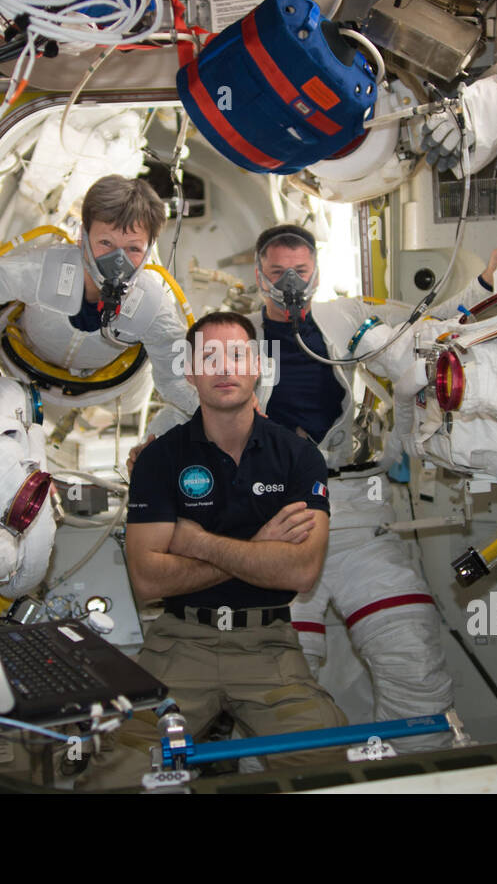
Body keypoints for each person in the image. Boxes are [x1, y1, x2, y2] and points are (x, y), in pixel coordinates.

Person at [243, 225, 497, 751]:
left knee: (412, 651)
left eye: (300, 271)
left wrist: (484, 284)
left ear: (316, 271)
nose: (289, 282)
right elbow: (190, 407)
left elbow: (426, 329)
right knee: (278, 686)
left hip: (356, 518)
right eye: (277, 273)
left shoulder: (346, 316)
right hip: (273, 528)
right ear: (259, 276)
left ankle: (410, 776)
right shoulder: (236, 337)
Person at [78, 311, 347, 789]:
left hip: (269, 649)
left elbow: (301, 572)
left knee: (329, 769)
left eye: (238, 355)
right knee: (111, 776)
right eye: (210, 357)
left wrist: (197, 543)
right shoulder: (160, 459)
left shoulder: (298, 455)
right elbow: (147, 580)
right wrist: (260, 548)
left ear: (258, 367)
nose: (225, 368)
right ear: (191, 370)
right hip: (180, 643)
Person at [0, 174, 197, 427]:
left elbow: (179, 381)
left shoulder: (152, 306)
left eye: (133, 249)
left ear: (148, 251)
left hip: (112, 394)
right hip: (19, 377)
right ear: (82, 237)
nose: (118, 261)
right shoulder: (42, 270)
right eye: (106, 244)